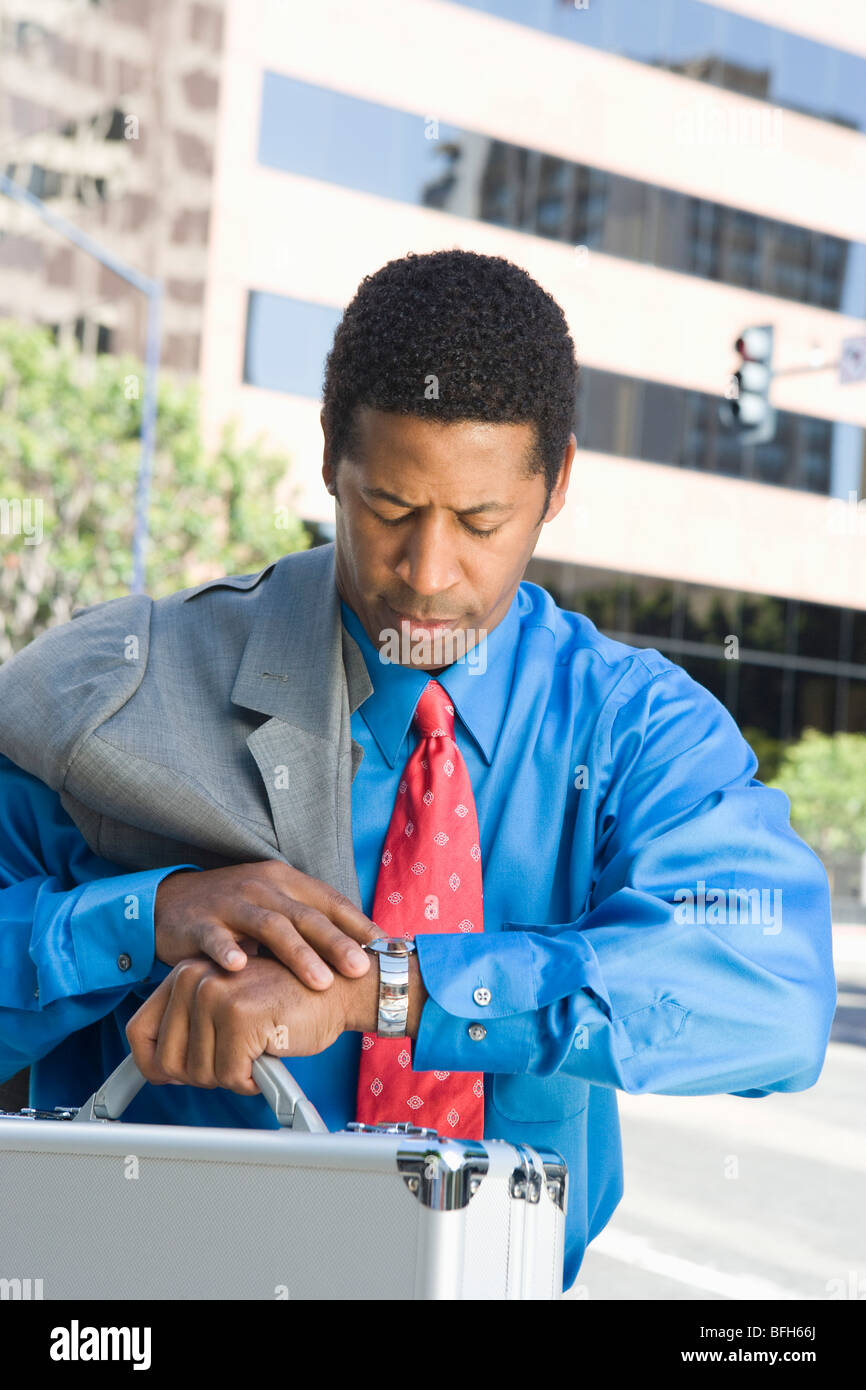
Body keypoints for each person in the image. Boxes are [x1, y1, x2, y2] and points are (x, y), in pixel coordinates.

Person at [0, 249, 836, 1294]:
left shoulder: (628, 728)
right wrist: (142, 920)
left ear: (556, 484)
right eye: (388, 509)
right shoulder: (124, 697)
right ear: (328, 464)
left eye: (481, 522)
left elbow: (771, 986)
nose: (429, 575)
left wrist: (388, 991)